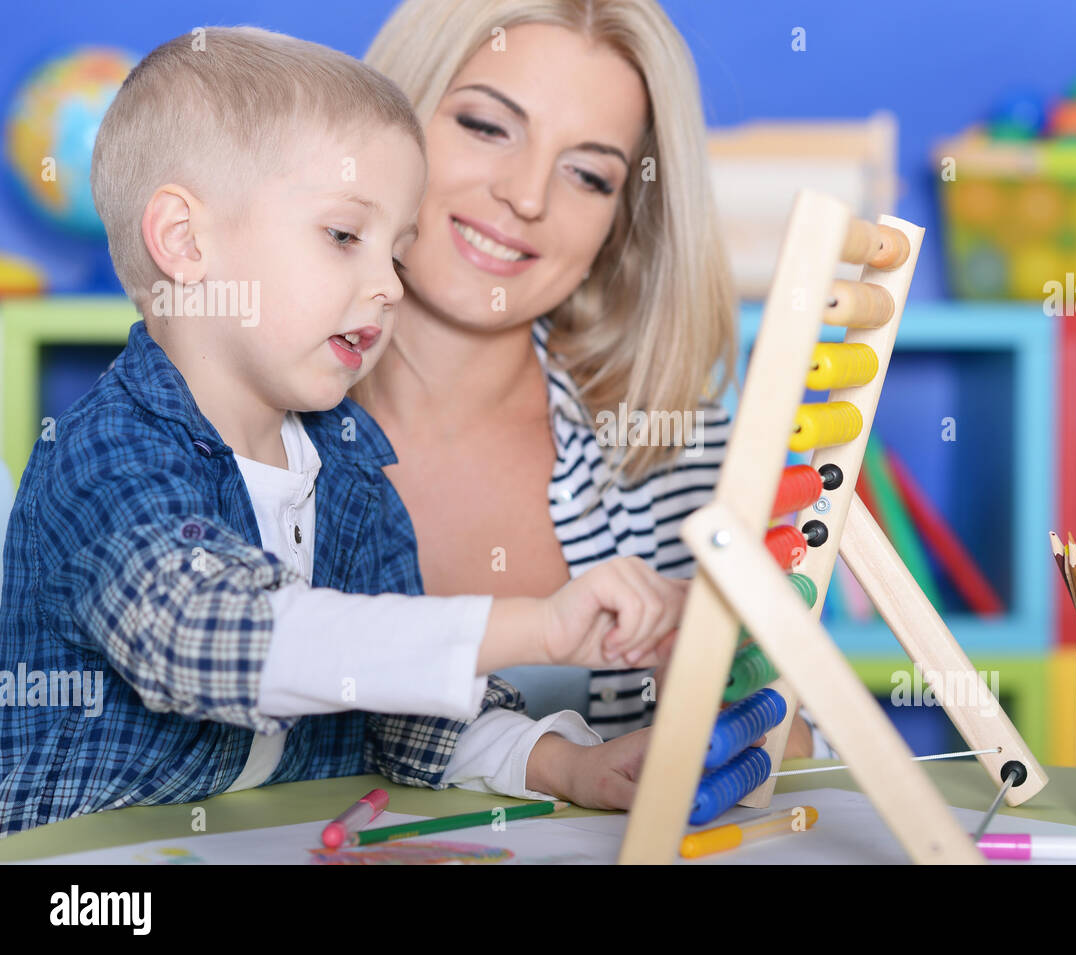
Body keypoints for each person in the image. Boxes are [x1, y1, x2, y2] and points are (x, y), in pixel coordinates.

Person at [0, 26, 684, 836]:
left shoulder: (347, 465)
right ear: (185, 240)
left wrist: (561, 761)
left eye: (397, 252)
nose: (388, 286)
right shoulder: (108, 454)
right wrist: (535, 626)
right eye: (344, 237)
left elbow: (400, 701)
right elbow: (208, 635)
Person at [354, 0, 828, 805]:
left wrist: (718, 694)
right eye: (487, 126)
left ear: (621, 221)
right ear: (386, 122)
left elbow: (800, 749)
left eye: (589, 174)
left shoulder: (674, 454)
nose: (526, 195)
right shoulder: (233, 420)